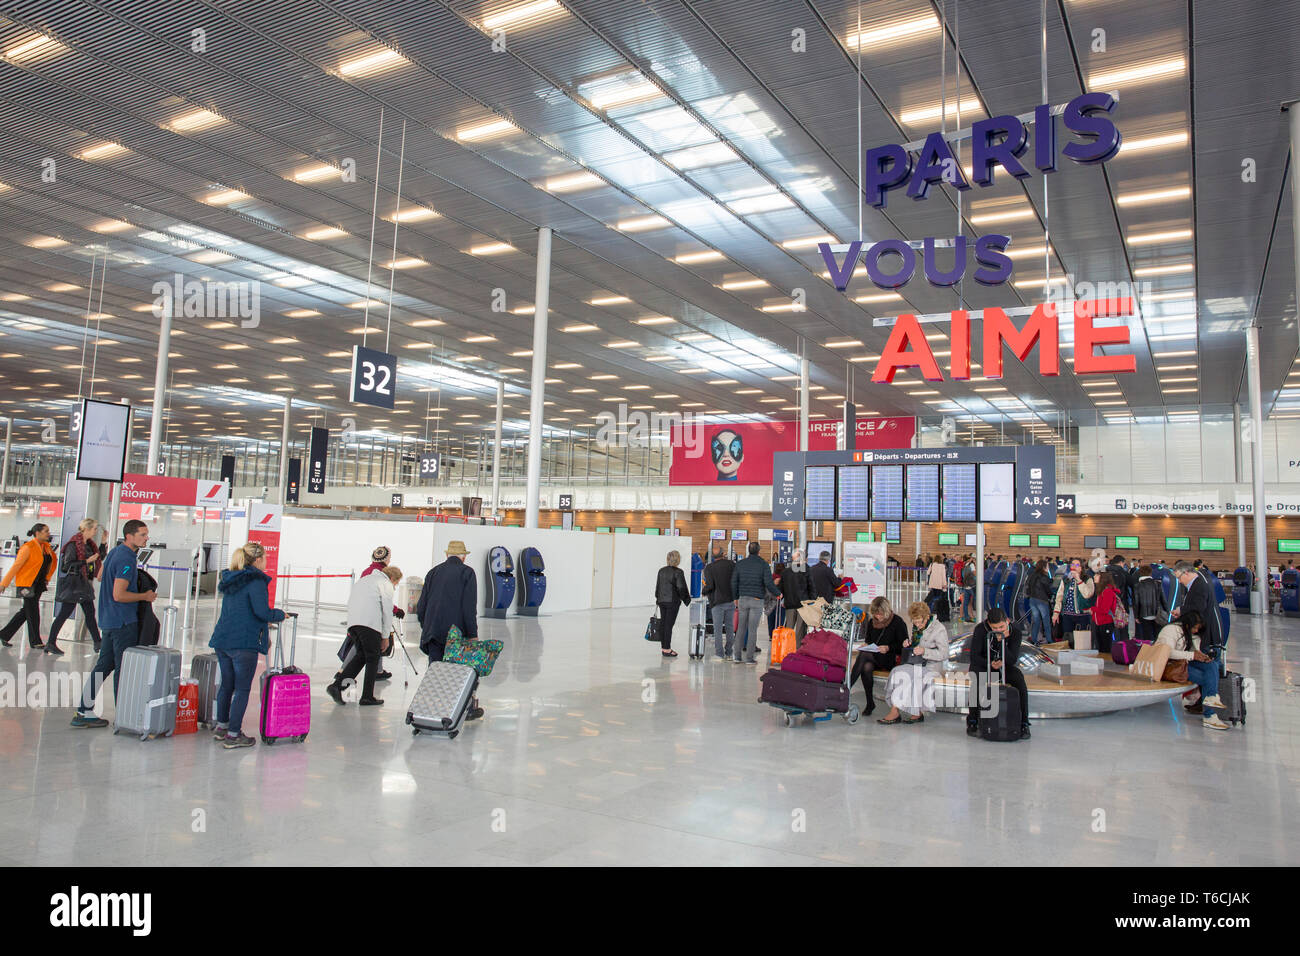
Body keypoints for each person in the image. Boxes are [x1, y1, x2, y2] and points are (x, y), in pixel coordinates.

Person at [71, 519, 157, 728]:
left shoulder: (115, 552)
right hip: (123, 621)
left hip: (109, 619)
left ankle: (84, 710)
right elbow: (119, 595)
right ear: (129, 536)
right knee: (123, 669)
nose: (146, 538)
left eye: (146, 535)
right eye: (142, 535)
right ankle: (125, 716)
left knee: (104, 665)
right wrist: (144, 596)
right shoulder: (127, 557)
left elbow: (100, 576)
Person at [207, 541, 286, 748]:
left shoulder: (232, 578)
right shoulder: (255, 581)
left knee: (227, 685)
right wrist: (280, 615)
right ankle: (234, 735)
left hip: (223, 639)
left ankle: (222, 727)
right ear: (258, 560)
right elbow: (262, 612)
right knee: (242, 689)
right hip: (243, 641)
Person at [416, 540, 484, 720]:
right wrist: (472, 634)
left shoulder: (433, 572)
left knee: (435, 672)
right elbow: (469, 606)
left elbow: (421, 605)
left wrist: (426, 626)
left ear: (447, 555)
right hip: (456, 634)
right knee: (458, 673)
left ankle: (431, 710)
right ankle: (464, 710)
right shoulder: (467, 572)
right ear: (464, 557)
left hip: (433, 632)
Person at [328, 565, 402, 706]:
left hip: (354, 623)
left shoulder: (365, 580)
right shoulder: (385, 584)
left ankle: (337, 686)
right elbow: (387, 611)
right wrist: (385, 637)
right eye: (396, 583)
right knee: (373, 657)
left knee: (362, 655)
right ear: (392, 578)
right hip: (369, 624)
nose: (395, 586)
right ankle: (367, 696)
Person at [1157, 610, 1231, 731]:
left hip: (1183, 663)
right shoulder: (1170, 630)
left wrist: (1200, 656)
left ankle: (1211, 698)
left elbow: (1193, 651)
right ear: (1187, 625)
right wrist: (1192, 655)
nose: (1196, 631)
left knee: (1211, 665)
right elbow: (1167, 652)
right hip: (1169, 666)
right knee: (1207, 678)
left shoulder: (1192, 634)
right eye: (1195, 628)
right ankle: (1209, 714)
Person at [877, 601, 948, 725]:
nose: (918, 625)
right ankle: (914, 712)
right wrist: (908, 644)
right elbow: (916, 644)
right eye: (915, 622)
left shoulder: (939, 629)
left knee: (912, 676)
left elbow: (944, 654)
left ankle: (896, 711)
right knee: (896, 671)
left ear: (927, 617)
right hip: (917, 662)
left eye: (920, 622)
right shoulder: (917, 627)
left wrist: (925, 651)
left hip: (931, 666)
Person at [967, 607, 1031, 740]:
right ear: (989, 625)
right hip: (984, 664)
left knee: (1019, 680)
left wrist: (1002, 641)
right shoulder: (980, 630)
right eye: (995, 628)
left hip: (1004, 665)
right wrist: (990, 663)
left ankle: (1024, 723)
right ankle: (972, 721)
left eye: (1002, 627)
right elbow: (974, 656)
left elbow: (1012, 659)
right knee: (977, 679)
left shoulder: (1015, 633)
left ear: (1007, 621)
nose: (999, 630)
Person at [47, 519, 107, 655]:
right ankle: (51, 643)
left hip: (84, 583)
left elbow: (99, 557)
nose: (95, 531)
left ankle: (98, 643)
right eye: (94, 529)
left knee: (90, 613)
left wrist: (103, 543)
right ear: (86, 529)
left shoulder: (89, 545)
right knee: (64, 614)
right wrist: (86, 561)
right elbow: (67, 565)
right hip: (74, 584)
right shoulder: (73, 545)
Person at [0, 523, 57, 650]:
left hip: (39, 585)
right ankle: (35, 641)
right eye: (46, 531)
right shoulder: (28, 548)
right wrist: (4, 584)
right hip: (27, 585)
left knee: (26, 611)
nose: (49, 533)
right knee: (33, 612)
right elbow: (16, 567)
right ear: (37, 533)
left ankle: (4, 634)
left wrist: (47, 578)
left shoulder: (46, 548)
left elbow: (51, 564)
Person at [848, 596, 906, 717]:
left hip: (890, 657)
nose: (878, 617)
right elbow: (869, 640)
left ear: (886, 611)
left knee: (864, 656)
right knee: (866, 667)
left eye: (880, 614)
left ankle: (847, 687)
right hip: (874, 656)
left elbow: (903, 646)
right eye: (875, 614)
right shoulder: (871, 622)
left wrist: (888, 648)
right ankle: (870, 702)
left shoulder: (897, 622)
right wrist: (866, 645)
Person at [357, 545, 404, 681]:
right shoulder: (382, 573)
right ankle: (345, 672)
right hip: (373, 614)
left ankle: (377, 670)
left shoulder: (367, 571)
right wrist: (396, 610)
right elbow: (384, 598)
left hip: (361, 612)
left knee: (362, 643)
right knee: (368, 645)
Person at [731, 541, 780, 664]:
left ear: (748, 550)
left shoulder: (740, 564)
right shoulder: (763, 564)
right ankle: (749, 658)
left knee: (741, 628)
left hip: (742, 599)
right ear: (759, 551)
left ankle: (736, 656)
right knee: (752, 630)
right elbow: (768, 583)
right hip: (757, 600)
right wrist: (778, 593)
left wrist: (735, 597)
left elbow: (734, 582)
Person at [653, 550, 691, 658]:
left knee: (664, 624)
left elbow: (658, 586)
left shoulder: (661, 571)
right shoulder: (678, 572)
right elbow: (681, 588)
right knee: (669, 625)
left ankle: (664, 647)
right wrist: (687, 599)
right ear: (677, 559)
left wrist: (657, 598)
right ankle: (667, 649)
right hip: (672, 602)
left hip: (662, 601)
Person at [701, 546, 736, 659]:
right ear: (723, 554)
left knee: (718, 629)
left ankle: (719, 654)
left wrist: (703, 591)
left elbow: (710, 586)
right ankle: (729, 652)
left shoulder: (709, 568)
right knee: (730, 628)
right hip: (730, 600)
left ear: (712, 556)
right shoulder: (731, 565)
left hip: (716, 602)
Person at [780, 548, 814, 644]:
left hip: (789, 603)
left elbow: (780, 589)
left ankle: (786, 648)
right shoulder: (806, 570)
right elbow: (812, 587)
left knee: (789, 627)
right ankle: (797, 649)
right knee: (800, 628)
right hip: (803, 604)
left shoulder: (786, 572)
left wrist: (783, 598)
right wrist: (813, 601)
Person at [1132, 565, 1169, 642]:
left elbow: (1136, 602)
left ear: (1140, 573)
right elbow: (1163, 599)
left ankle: (1148, 650)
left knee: (1147, 635)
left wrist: (1136, 616)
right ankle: (1157, 650)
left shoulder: (1137, 586)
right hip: (1157, 613)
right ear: (1150, 573)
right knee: (1157, 634)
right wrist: (1167, 611)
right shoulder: (1158, 584)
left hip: (1143, 614)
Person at [1089, 570, 1122, 654]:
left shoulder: (1107, 591)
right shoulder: (1101, 590)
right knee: (1100, 647)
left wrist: (1092, 609)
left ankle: (1106, 664)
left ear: (1103, 578)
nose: (1094, 576)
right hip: (1099, 622)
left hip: (1106, 623)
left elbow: (1104, 610)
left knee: (1105, 647)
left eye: (1097, 575)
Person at [1025, 559, 1053, 645]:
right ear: (1043, 567)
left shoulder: (1032, 575)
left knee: (1036, 620)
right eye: (1047, 566)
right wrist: (1051, 596)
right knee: (1046, 621)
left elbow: (1028, 586)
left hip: (1032, 599)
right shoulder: (1044, 577)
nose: (1048, 568)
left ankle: (1034, 639)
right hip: (1041, 600)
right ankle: (1049, 640)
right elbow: (1048, 589)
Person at [960, 557, 976, 622]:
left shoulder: (965, 565)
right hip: (972, 586)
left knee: (965, 603)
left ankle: (966, 616)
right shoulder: (971, 565)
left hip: (966, 586)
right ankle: (974, 616)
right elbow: (975, 573)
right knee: (975, 601)